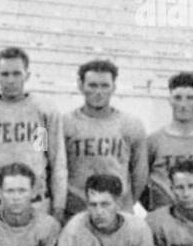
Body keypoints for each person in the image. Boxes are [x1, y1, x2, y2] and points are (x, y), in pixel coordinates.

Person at [0, 47, 67, 222]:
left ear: (27, 75)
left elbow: (53, 161)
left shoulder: (41, 111)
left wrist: (58, 207)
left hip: (35, 204)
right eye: (5, 74)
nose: (10, 80)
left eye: (16, 74)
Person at [63, 59, 147, 216]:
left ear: (114, 87)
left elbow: (140, 174)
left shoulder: (132, 124)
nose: (98, 92)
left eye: (104, 86)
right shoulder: (64, 123)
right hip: (76, 213)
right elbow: (45, 161)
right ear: (81, 86)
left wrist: (123, 203)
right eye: (92, 85)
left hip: (118, 213)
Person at [142, 71, 193, 210]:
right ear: (170, 100)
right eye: (178, 98)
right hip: (165, 221)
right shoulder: (153, 141)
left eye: (190, 98)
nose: (183, 104)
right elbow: (139, 182)